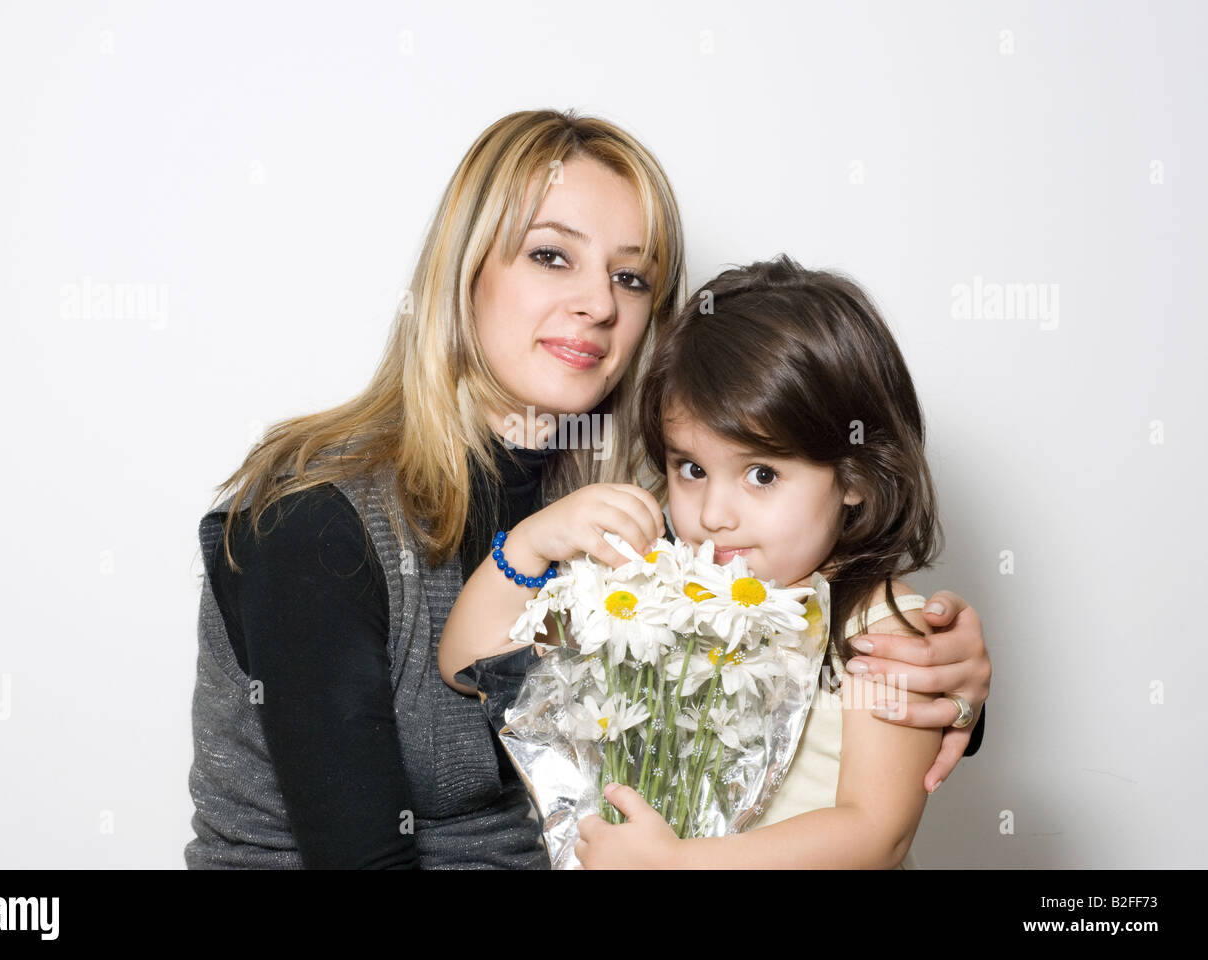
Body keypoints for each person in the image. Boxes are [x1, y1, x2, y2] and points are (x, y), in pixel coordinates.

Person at [185, 108, 990, 869]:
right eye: (550, 256)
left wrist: (945, 689)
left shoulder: (651, 516)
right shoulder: (315, 522)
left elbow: (796, 671)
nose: (599, 304)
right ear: (465, 273)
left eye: (633, 279)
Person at [439, 255, 978, 868]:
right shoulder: (657, 590)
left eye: (761, 474)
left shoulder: (881, 630)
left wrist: (681, 864)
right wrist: (531, 545)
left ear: (854, 475)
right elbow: (470, 666)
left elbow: (876, 832)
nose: (716, 513)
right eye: (691, 469)